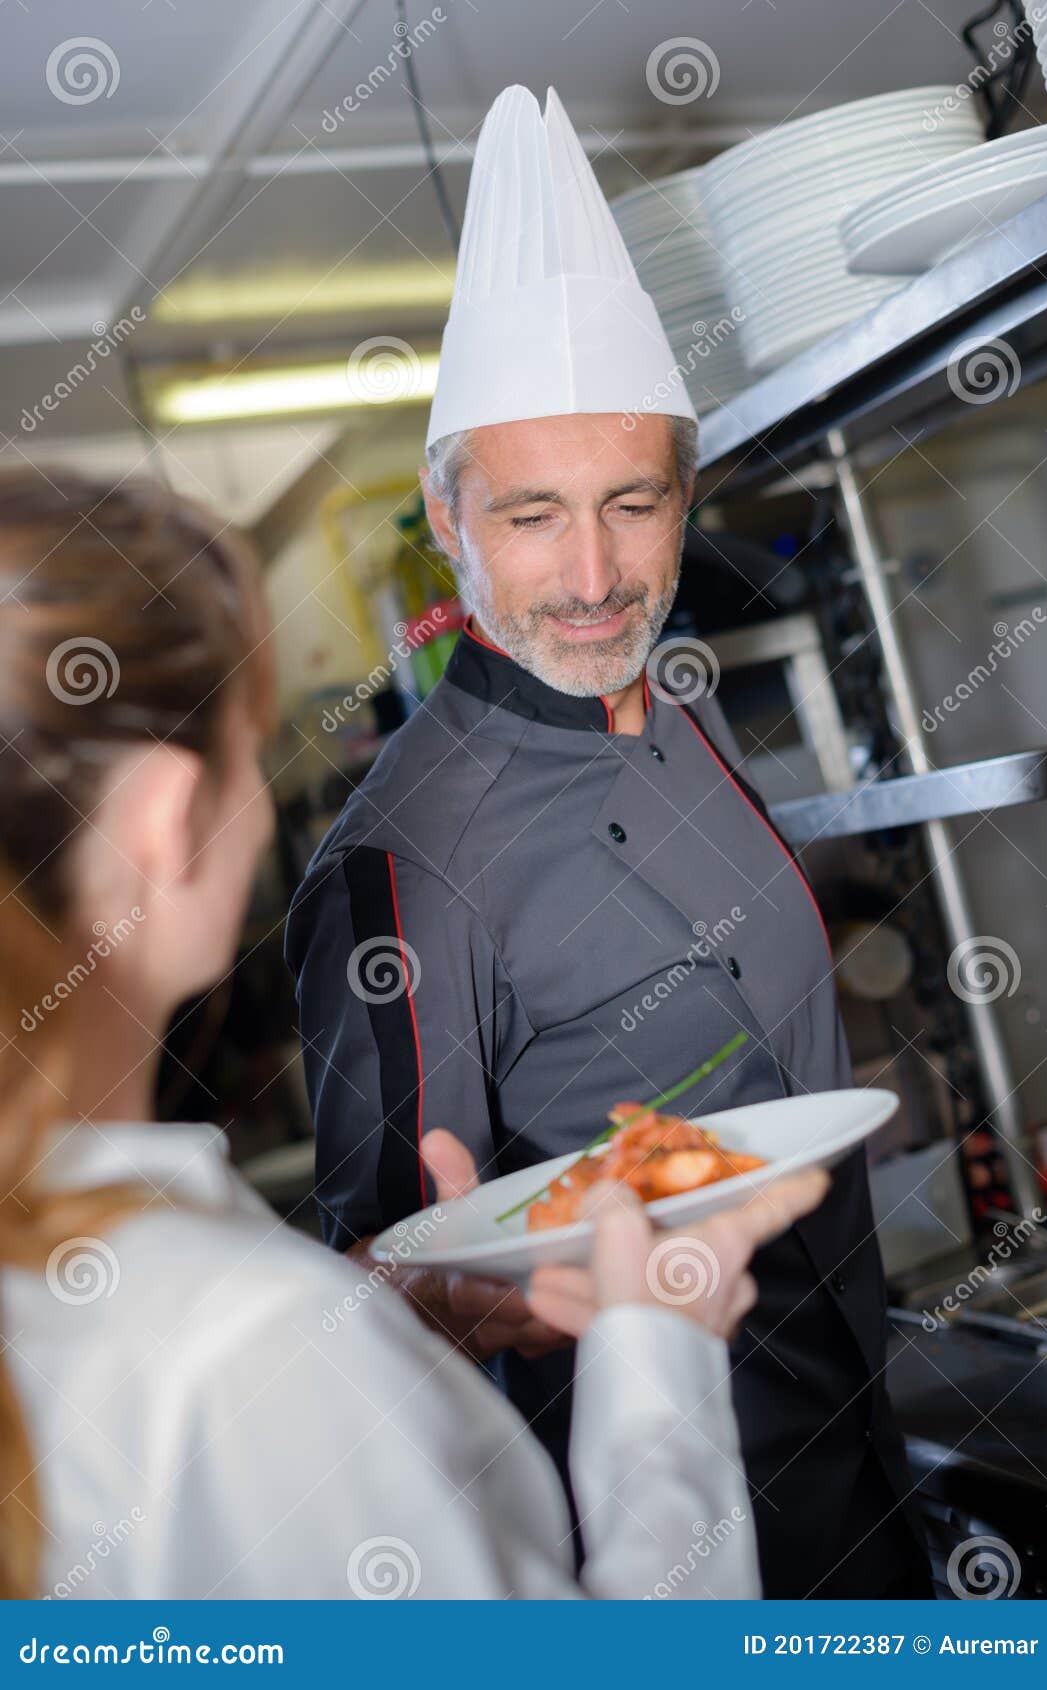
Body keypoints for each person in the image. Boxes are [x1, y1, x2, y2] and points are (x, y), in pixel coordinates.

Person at [287, 85, 932, 1598]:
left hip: (861, 1459)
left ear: (684, 496)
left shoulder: (678, 705)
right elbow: (378, 1295)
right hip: (664, 1536)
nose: (592, 577)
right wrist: (424, 1285)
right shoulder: (401, 859)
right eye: (531, 518)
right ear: (449, 524)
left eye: (633, 503)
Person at [0, 467, 827, 1601]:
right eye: (252, 748)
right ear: (164, 822)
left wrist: (380, 1318)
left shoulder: (199, 1310)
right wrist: (659, 1342)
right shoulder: (238, 1344)